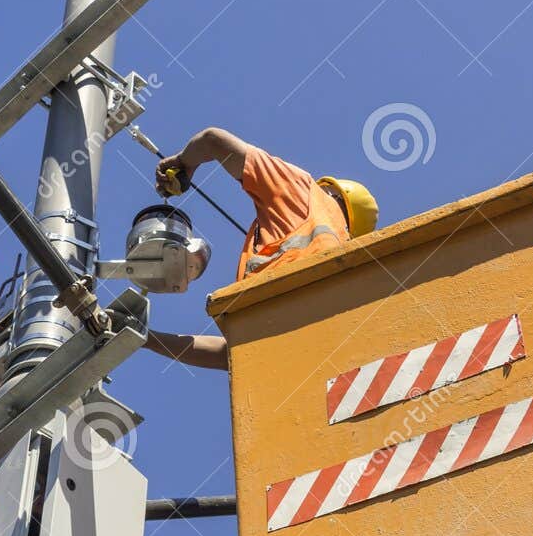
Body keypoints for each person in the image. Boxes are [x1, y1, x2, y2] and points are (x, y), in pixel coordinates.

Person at [143, 127, 378, 370]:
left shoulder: (302, 190)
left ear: (331, 192)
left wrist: (183, 163)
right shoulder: (342, 261)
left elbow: (213, 140)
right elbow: (236, 352)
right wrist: (148, 339)